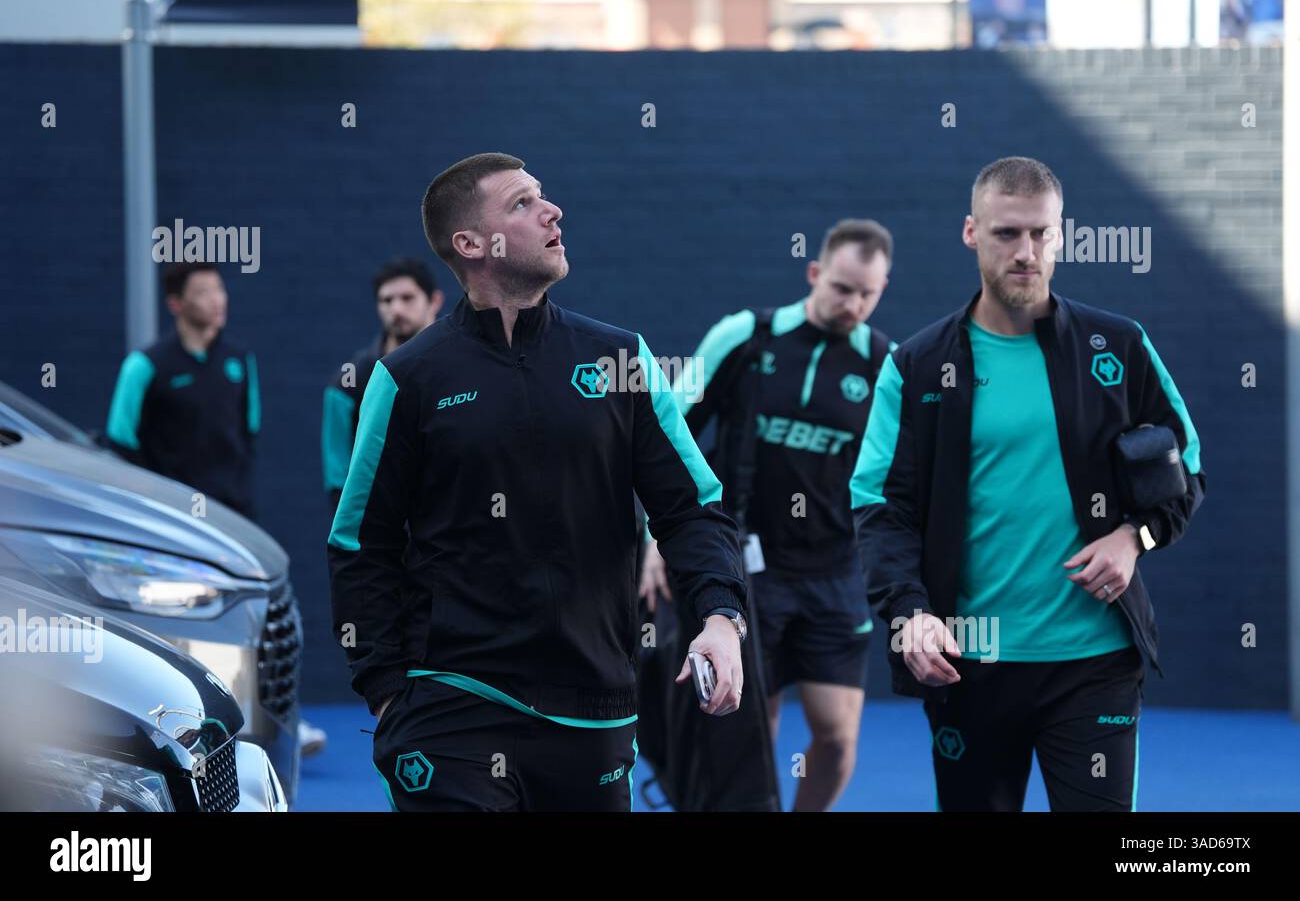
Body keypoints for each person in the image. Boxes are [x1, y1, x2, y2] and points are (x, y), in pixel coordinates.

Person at [329, 152, 748, 811]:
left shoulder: (620, 358)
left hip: (596, 710)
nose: (552, 211)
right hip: (452, 707)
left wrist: (721, 616)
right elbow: (360, 545)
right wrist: (386, 691)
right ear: (471, 244)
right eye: (522, 203)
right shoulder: (408, 378)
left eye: (543, 197)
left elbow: (692, 509)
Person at [850, 156, 1206, 811]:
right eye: (1007, 233)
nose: (1026, 252)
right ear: (970, 233)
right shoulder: (918, 367)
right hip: (970, 662)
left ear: (1062, 235)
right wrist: (911, 614)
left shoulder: (1118, 346)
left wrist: (1137, 537)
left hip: (1094, 661)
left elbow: (1189, 465)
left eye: (1041, 233)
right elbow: (879, 508)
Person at [641, 219, 896, 811]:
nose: (852, 304)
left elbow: (897, 483)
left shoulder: (886, 367)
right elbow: (666, 441)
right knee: (754, 730)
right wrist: (656, 541)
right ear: (814, 273)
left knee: (836, 736)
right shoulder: (745, 337)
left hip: (836, 574)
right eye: (841, 288)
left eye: (868, 293)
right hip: (746, 571)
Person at [106, 262, 259, 519]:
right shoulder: (143, 366)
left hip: (232, 513)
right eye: (202, 292)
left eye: (219, 289)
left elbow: (250, 432)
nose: (216, 300)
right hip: (172, 514)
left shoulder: (241, 360)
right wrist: (154, 495)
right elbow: (121, 441)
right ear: (175, 304)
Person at [322, 257, 444, 511]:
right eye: (386, 300)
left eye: (407, 298)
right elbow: (338, 480)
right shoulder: (347, 385)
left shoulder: (463, 368)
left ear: (434, 301)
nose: (396, 309)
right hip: (384, 536)